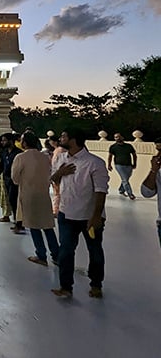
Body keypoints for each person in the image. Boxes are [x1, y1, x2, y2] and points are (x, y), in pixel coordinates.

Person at [50, 128, 109, 299]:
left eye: (63, 136)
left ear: (74, 140)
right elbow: (53, 179)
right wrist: (59, 173)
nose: (60, 138)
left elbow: (100, 191)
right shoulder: (61, 158)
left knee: (95, 251)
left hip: (89, 216)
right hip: (66, 213)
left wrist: (96, 216)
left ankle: (96, 284)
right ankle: (66, 286)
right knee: (66, 251)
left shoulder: (94, 163)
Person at [11, 132, 60, 266]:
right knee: (47, 226)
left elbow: (15, 179)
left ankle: (41, 255)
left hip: (28, 194)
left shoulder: (20, 157)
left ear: (25, 143)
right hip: (44, 194)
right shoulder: (44, 157)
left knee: (34, 226)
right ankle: (56, 255)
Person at [0, 133, 24, 233]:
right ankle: (17, 221)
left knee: (16, 201)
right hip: (7, 179)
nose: (2, 142)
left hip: (16, 180)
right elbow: (2, 165)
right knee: (12, 200)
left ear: (10, 141)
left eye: (4, 140)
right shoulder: (4, 152)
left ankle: (19, 223)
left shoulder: (19, 153)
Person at [141, 137, 161, 248]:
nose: (158, 155)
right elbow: (147, 192)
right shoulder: (158, 171)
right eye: (157, 150)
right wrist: (153, 170)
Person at [107, 133, 138, 200]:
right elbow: (110, 156)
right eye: (115, 137)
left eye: (118, 137)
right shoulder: (113, 147)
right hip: (119, 165)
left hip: (128, 165)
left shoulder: (129, 146)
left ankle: (121, 190)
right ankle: (130, 194)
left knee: (125, 179)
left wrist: (135, 163)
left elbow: (134, 155)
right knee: (125, 180)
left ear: (122, 137)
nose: (117, 138)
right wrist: (109, 165)